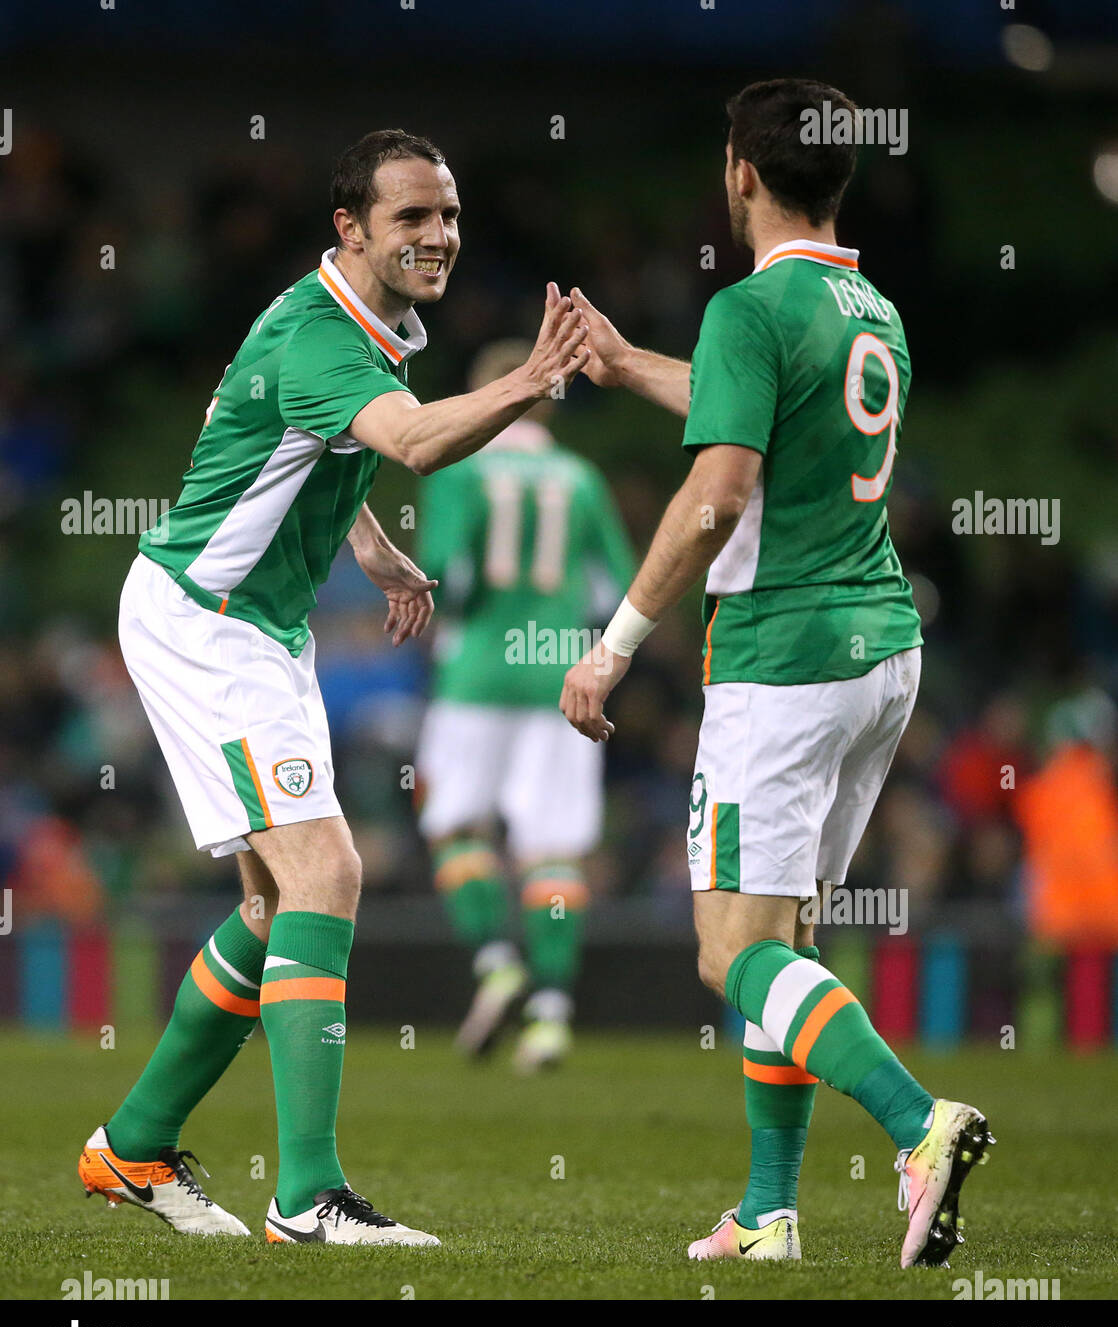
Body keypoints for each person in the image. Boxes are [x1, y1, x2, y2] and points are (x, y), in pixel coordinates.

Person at [79, 129, 588, 1246]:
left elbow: (313, 444)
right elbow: (407, 442)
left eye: (447, 214)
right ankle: (306, 1196)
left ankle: (132, 1145)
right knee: (331, 870)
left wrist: (365, 545)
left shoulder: (365, 322)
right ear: (350, 229)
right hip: (209, 624)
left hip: (253, 623)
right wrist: (529, 379)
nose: (438, 235)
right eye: (412, 217)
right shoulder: (325, 334)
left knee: (274, 906)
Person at [560, 79, 993, 1267]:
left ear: (739, 173)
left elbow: (716, 494)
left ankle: (920, 1123)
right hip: (878, 650)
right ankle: (765, 1212)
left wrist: (609, 648)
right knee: (786, 938)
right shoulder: (870, 308)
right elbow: (761, 412)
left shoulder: (747, 308)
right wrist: (625, 361)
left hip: (783, 658)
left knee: (727, 949)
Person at [414, 339, 635, 1071]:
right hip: (558, 677)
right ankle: (550, 1016)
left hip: (476, 676)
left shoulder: (460, 468)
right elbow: (615, 592)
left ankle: (496, 960)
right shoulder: (581, 478)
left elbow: (449, 575)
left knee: (453, 826)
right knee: (553, 851)